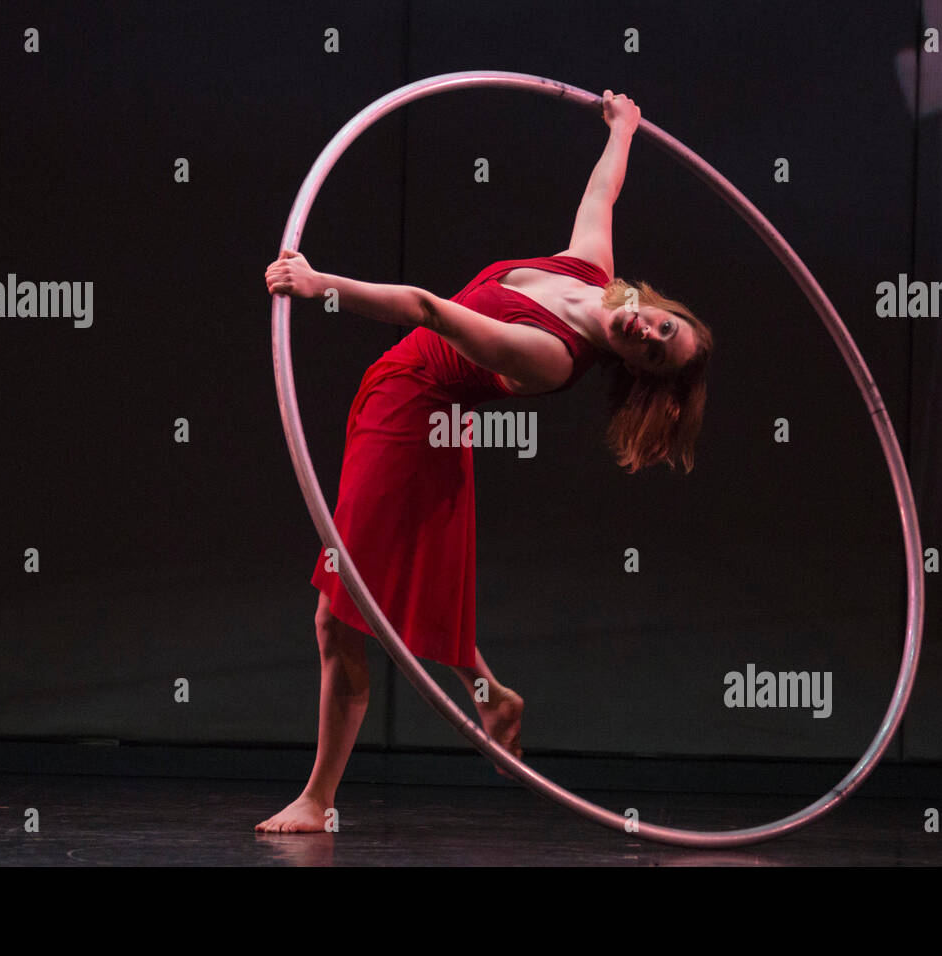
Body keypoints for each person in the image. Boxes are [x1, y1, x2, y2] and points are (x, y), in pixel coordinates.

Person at [258, 90, 713, 832]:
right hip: (402, 404)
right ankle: (488, 694)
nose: (646, 330)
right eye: (662, 323)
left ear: (637, 367)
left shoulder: (552, 355)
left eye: (654, 349)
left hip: (412, 423)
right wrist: (624, 128)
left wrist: (319, 286)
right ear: (658, 302)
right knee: (400, 604)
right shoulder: (592, 272)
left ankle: (318, 799)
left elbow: (429, 310)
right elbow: (604, 188)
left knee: (340, 614)